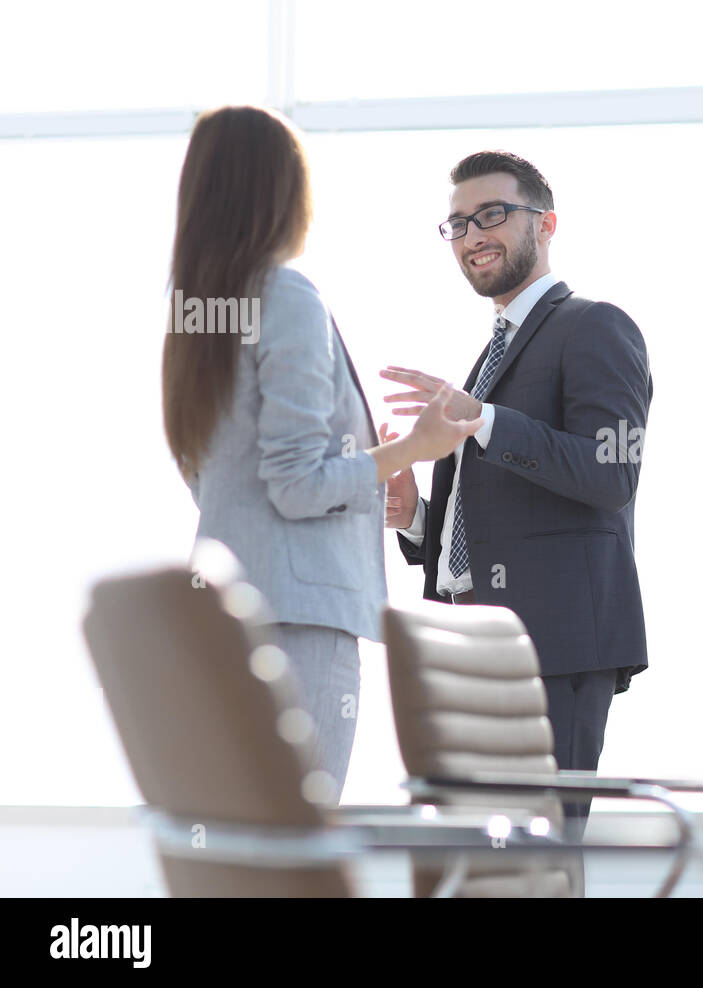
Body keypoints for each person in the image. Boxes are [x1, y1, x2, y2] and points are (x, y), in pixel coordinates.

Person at [162, 106, 482, 804]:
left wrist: (372, 479)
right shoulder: (286, 296)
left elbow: (220, 480)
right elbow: (298, 486)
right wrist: (411, 448)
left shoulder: (198, 312)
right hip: (298, 622)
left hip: (222, 618)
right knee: (290, 851)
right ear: (284, 191)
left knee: (240, 852)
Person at [381, 151, 652, 819]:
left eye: (492, 215)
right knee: (479, 863)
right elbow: (496, 499)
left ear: (547, 223)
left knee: (544, 860)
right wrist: (419, 518)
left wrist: (484, 418)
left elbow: (609, 472)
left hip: (551, 644)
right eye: (459, 224)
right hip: (466, 640)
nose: (474, 235)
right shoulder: (494, 351)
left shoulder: (594, 326)